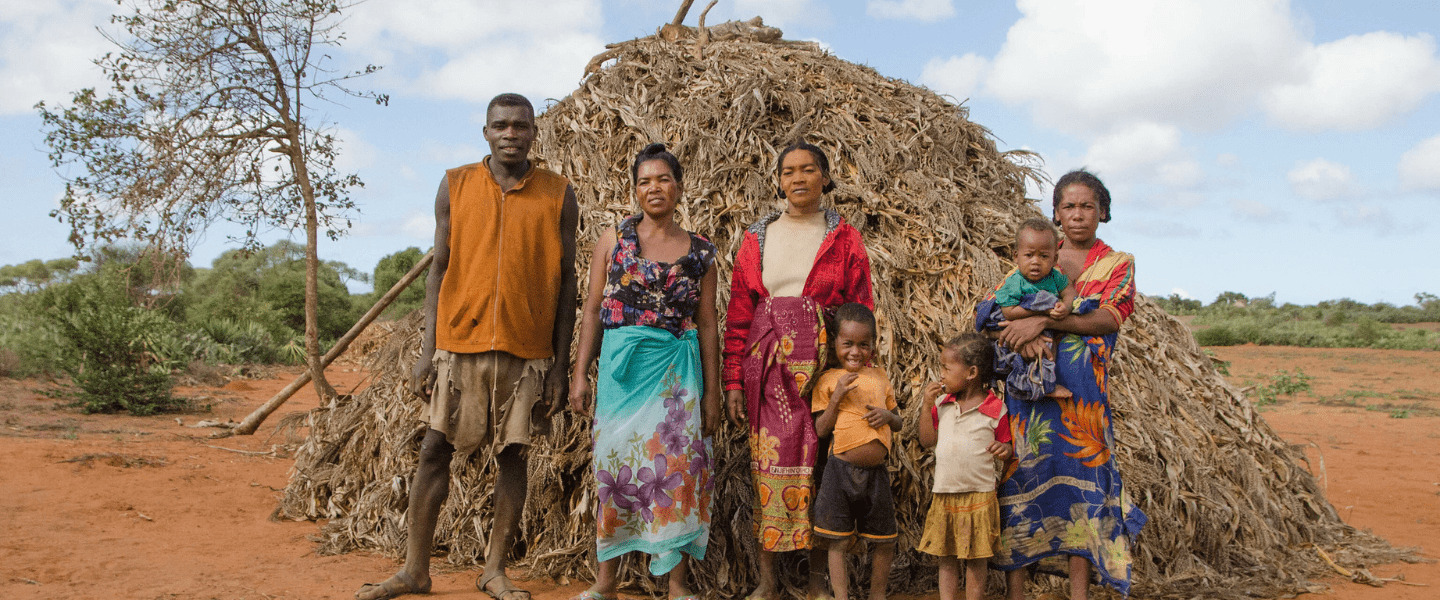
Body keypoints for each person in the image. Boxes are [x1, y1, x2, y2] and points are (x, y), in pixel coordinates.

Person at [357, 93, 579, 600]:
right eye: (500, 125)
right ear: (485, 132)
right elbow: (439, 268)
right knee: (435, 451)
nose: (510, 134)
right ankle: (415, 570)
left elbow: (567, 284)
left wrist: (560, 367)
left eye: (520, 126)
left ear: (533, 133)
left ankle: (494, 570)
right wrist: (426, 349)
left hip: (526, 349)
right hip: (459, 344)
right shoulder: (455, 184)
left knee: (514, 455)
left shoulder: (558, 193)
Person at [568, 143, 720, 600]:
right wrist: (580, 375)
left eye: (663, 179)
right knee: (615, 468)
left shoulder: (702, 252)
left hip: (677, 376)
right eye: (644, 181)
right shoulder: (614, 241)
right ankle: (605, 584)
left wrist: (712, 393)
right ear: (635, 189)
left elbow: (710, 324)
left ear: (678, 186)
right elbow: (592, 310)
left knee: (675, 468)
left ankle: (676, 585)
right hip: (621, 374)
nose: (654, 188)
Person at [723, 141, 875, 600]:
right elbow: (739, 313)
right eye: (789, 172)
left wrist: (859, 372)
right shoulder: (758, 236)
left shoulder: (844, 238)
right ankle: (767, 582)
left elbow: (861, 306)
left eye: (809, 170)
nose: (798, 179)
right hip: (766, 368)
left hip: (826, 365)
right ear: (779, 181)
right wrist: (733, 378)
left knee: (824, 470)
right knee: (768, 467)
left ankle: (816, 583)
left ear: (825, 177)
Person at [987, 170, 1146, 600]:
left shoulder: (1117, 264)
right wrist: (1027, 319)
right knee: (1019, 491)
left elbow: (1110, 317)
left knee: (1084, 495)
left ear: (1103, 212)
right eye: (1069, 206)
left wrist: (1043, 320)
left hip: (1084, 408)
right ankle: (1017, 593)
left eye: (1087, 206)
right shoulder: (1034, 259)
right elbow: (992, 313)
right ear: (1055, 212)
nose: (1078, 215)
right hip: (1028, 406)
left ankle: (1079, 594)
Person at [809, 303, 902, 600]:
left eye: (864, 344)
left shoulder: (880, 377)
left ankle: (877, 595)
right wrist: (836, 397)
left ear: (873, 345)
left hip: (876, 474)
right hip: (839, 472)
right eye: (847, 343)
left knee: (885, 540)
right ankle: (841, 596)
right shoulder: (826, 380)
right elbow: (821, 430)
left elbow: (897, 420)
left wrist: (888, 418)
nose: (855, 351)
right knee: (836, 541)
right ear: (834, 341)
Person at [917, 333, 1014, 600]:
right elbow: (927, 441)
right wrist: (926, 406)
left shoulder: (996, 409)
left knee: (975, 559)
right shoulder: (942, 404)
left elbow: (1007, 447)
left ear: (971, 372)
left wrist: (1003, 450)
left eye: (946, 368)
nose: (942, 375)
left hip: (980, 496)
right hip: (945, 493)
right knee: (946, 557)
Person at [974, 218, 1083, 402]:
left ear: (1055, 258)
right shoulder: (1015, 282)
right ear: (1016, 256)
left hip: (1040, 327)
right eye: (1029, 255)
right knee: (1028, 354)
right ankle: (1039, 384)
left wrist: (1066, 305)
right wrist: (1043, 311)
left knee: (1049, 345)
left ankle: (1045, 381)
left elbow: (1069, 291)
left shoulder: (1055, 276)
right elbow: (1009, 311)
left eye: (1044, 256)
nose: (1036, 262)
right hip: (1014, 324)